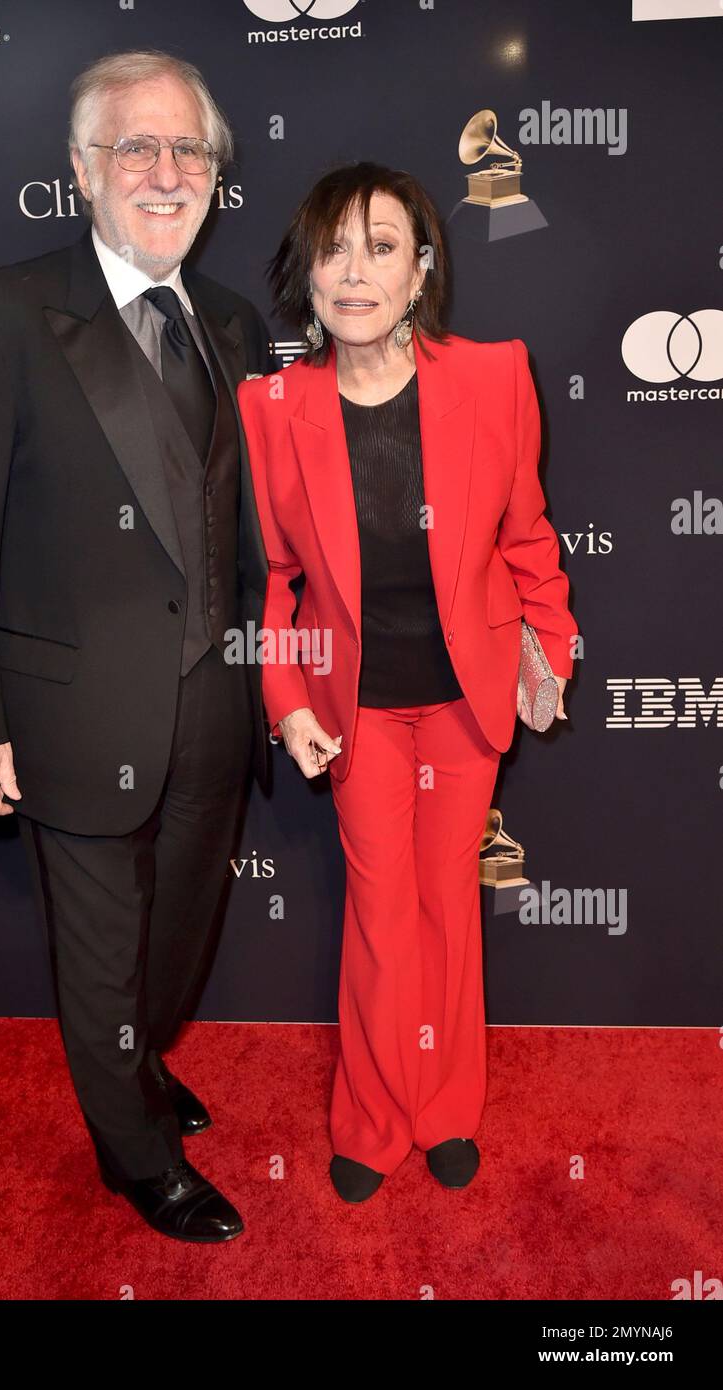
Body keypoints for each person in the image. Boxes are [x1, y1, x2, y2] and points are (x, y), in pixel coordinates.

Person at [0, 50, 275, 1244]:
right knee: (103, 950)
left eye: (190, 152)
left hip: (214, 710)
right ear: (81, 169)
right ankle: (135, 1156)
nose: (166, 174)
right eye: (136, 147)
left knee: (175, 938)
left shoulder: (227, 320)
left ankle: (138, 1068)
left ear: (215, 177)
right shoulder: (0, 312)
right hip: (72, 707)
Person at [237, 162, 578, 1204]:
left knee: (446, 909)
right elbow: (282, 583)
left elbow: (528, 540)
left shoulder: (489, 376)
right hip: (360, 709)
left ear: (421, 267)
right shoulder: (274, 405)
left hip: (466, 700)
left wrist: (547, 651)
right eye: (332, 250)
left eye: (380, 246)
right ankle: (372, 1118)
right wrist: (287, 703)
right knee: (380, 913)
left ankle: (444, 1111)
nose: (353, 273)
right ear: (307, 273)